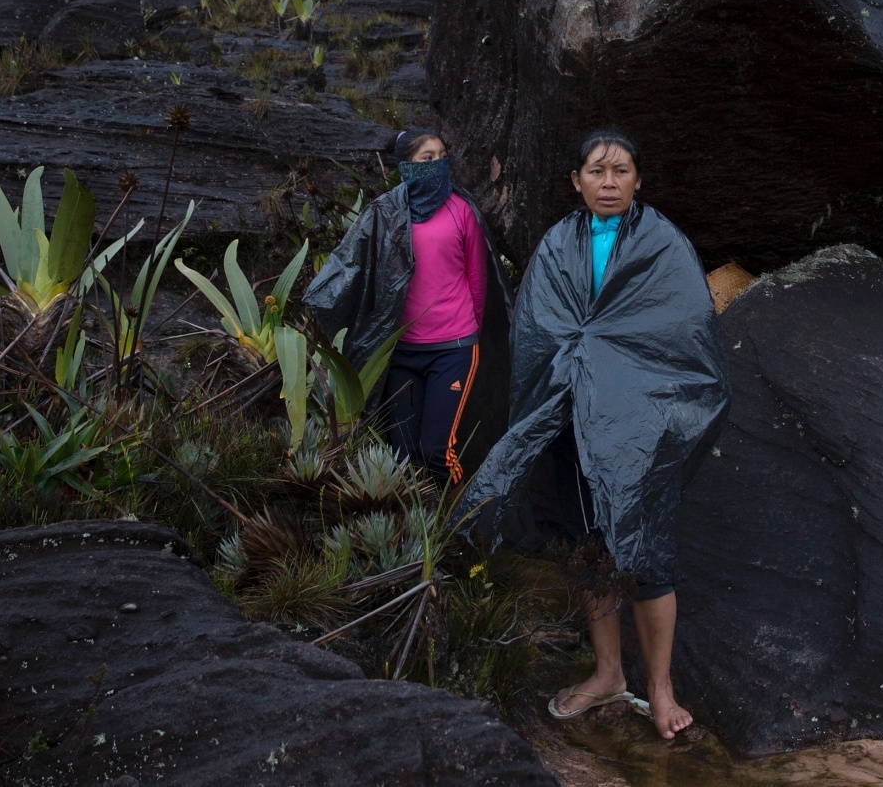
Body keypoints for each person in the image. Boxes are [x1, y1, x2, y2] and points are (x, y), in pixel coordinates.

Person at [457, 129, 728, 740]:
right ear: (575, 181)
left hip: (644, 432)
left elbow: (684, 338)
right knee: (591, 549)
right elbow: (537, 332)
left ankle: (660, 689)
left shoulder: (664, 247)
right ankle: (608, 672)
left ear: (639, 181)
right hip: (577, 426)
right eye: (597, 171)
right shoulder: (557, 248)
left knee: (650, 553)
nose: (609, 183)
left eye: (621, 171)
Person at [303, 129, 511, 485]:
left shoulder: (461, 210)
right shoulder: (384, 213)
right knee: (402, 451)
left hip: (453, 348)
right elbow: (357, 268)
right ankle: (415, 526)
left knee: (437, 450)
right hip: (400, 353)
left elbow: (478, 281)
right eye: (426, 159)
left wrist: (467, 336)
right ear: (406, 166)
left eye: (442, 156)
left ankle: (449, 525)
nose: (438, 164)